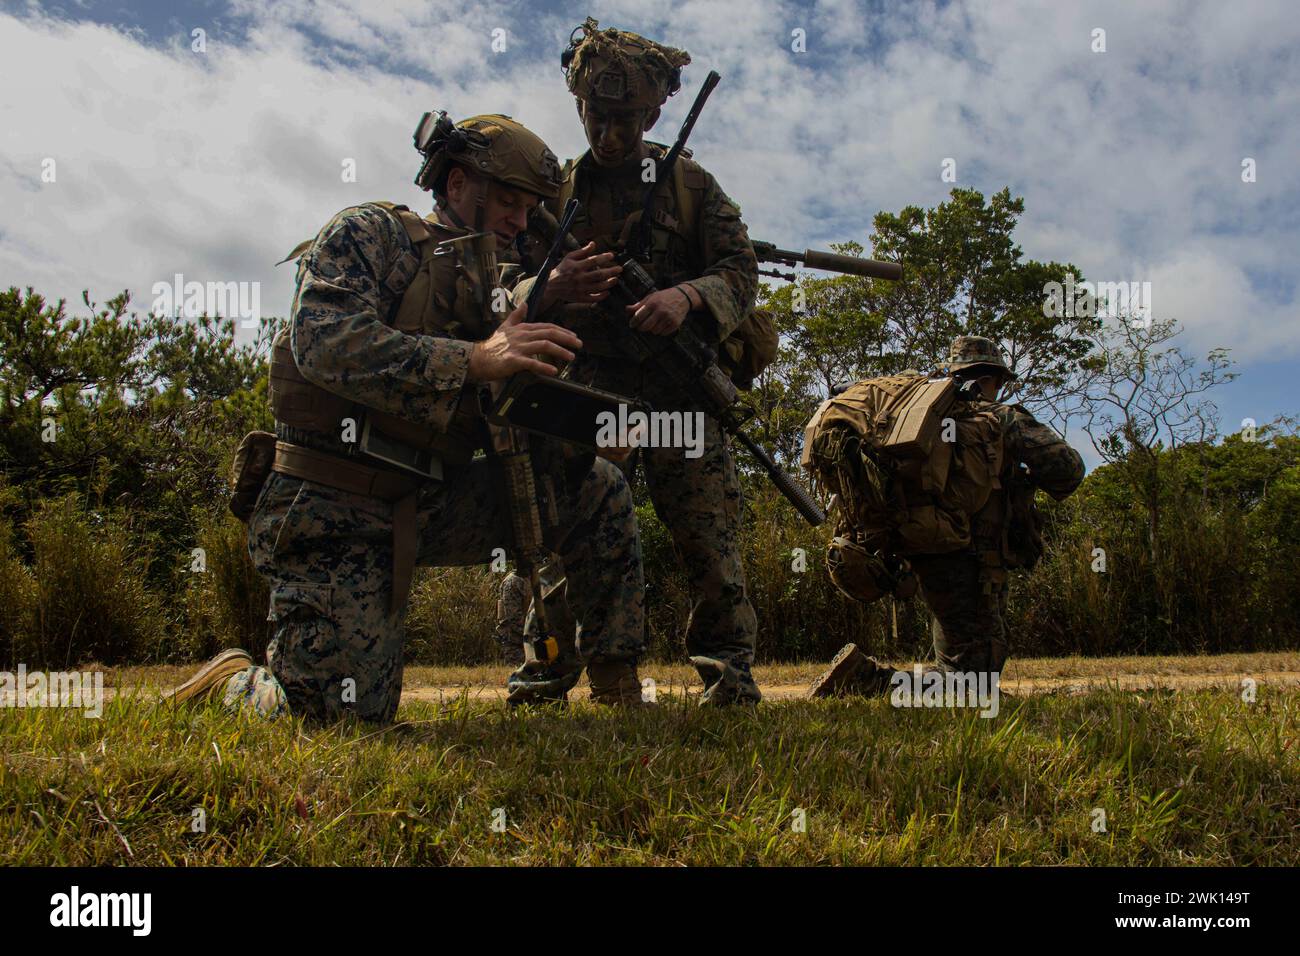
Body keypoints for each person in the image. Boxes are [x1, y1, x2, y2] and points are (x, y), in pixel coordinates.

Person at [166, 113, 647, 721]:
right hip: (334, 505)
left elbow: (496, 408)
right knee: (333, 724)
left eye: (528, 209)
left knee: (595, 488)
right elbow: (323, 341)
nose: (519, 222)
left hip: (426, 500)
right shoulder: (370, 234)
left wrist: (584, 434)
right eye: (506, 201)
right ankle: (236, 683)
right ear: (454, 185)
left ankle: (614, 689)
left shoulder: (486, 289)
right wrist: (475, 358)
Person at [512, 18, 762, 706]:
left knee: (707, 539)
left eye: (626, 117)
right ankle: (548, 675)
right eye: (597, 113)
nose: (611, 131)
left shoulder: (691, 186)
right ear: (578, 106)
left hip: (680, 393)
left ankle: (729, 680)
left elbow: (741, 272)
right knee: (563, 532)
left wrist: (687, 297)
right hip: (592, 391)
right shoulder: (553, 193)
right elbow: (507, 285)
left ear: (653, 112)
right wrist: (553, 287)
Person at [808, 336, 1085, 698]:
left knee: (968, 665)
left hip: (927, 552)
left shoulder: (919, 419)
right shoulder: (1001, 419)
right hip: (973, 560)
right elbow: (1069, 469)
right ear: (993, 378)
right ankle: (865, 680)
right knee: (973, 684)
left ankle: (898, 680)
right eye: (999, 383)